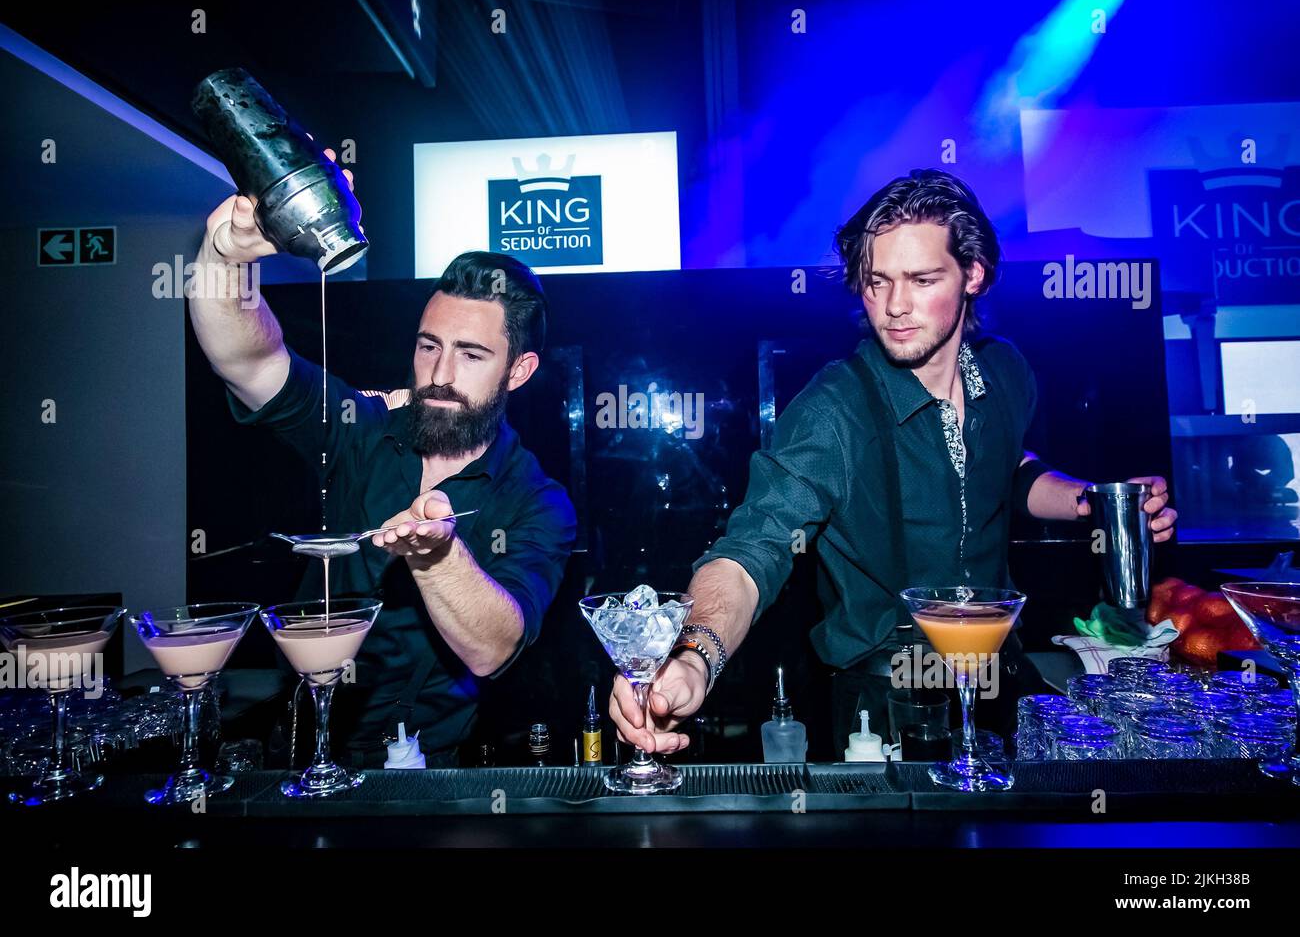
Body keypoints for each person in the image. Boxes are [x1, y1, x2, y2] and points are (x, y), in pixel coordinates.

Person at [610, 168, 1177, 754]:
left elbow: (1007, 467)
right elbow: (754, 547)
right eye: (876, 282)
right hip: (885, 707)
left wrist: (1094, 502)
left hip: (1001, 683)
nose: (894, 307)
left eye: (921, 279)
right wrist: (696, 657)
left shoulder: (1005, 372)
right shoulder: (833, 411)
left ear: (973, 275)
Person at [187, 152, 576, 766]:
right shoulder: (359, 431)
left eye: (471, 355)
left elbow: (495, 647)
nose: (440, 376)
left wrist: (439, 555)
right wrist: (225, 258)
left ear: (518, 371)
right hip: (306, 759)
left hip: (435, 779)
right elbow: (249, 362)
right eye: (429, 347)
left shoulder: (536, 500)